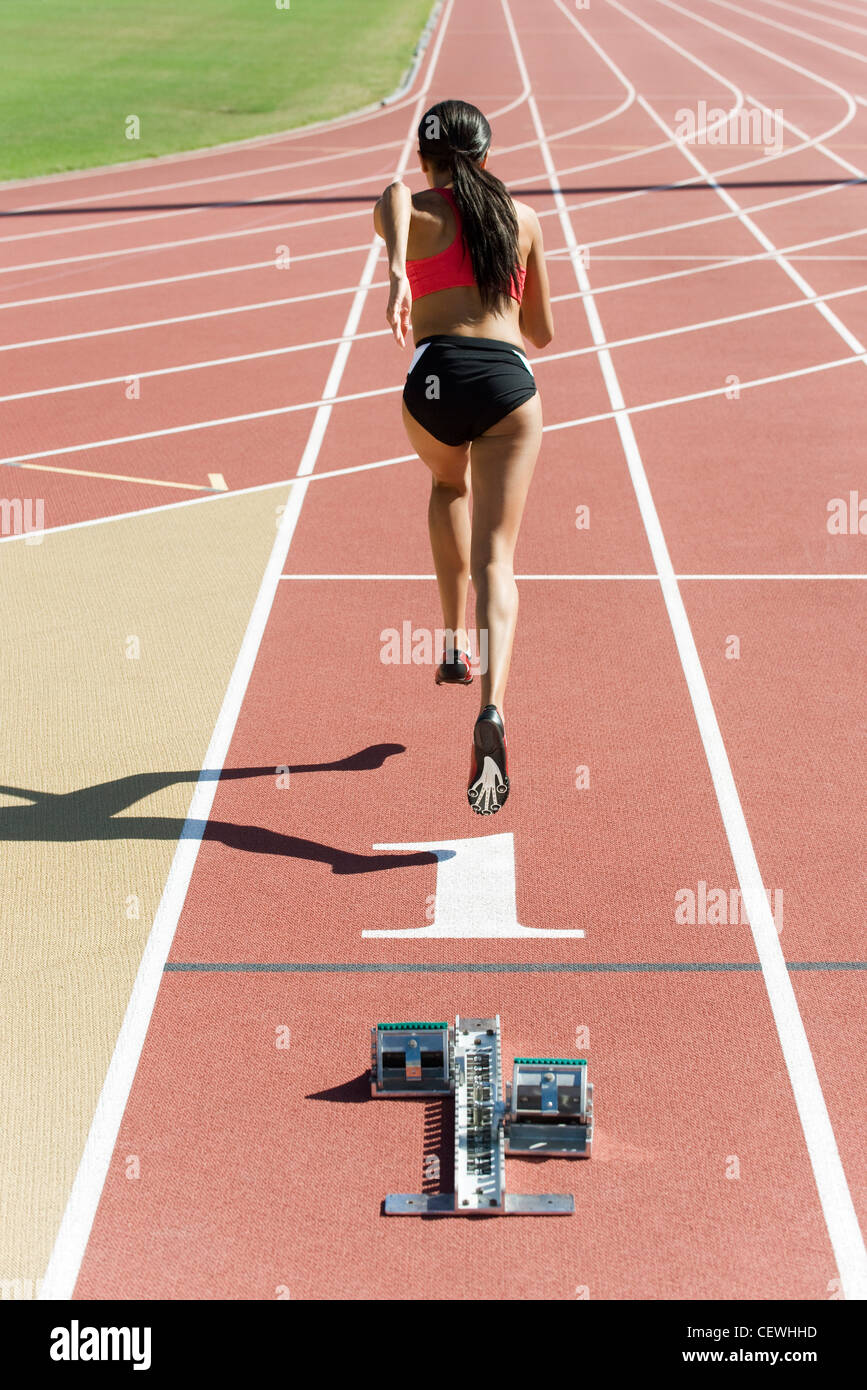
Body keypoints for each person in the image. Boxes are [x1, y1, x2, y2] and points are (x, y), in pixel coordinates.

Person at [373, 98, 553, 815]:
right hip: (508, 384)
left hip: (434, 379)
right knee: (498, 561)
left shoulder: (411, 212)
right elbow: (540, 333)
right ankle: (493, 706)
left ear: (425, 158)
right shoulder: (524, 220)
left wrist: (396, 274)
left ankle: (450, 643)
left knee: (447, 486)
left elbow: (388, 194)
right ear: (485, 154)